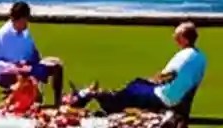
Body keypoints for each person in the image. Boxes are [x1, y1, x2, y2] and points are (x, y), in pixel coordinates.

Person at [69, 22, 206, 115]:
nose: (174, 37)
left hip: (164, 96)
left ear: (185, 39)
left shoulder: (183, 56)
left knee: (130, 91)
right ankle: (95, 94)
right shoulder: (200, 57)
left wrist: (153, 80)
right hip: (177, 95)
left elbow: (166, 76)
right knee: (137, 83)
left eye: (177, 36)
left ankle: (90, 95)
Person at [0, 1, 65, 107]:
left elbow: (33, 53)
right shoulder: (1, 36)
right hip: (6, 73)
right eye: (24, 20)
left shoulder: (25, 33)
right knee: (25, 78)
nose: (27, 23)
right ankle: (21, 98)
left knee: (57, 66)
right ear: (16, 20)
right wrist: (10, 66)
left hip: (26, 68)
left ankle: (57, 103)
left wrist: (41, 64)